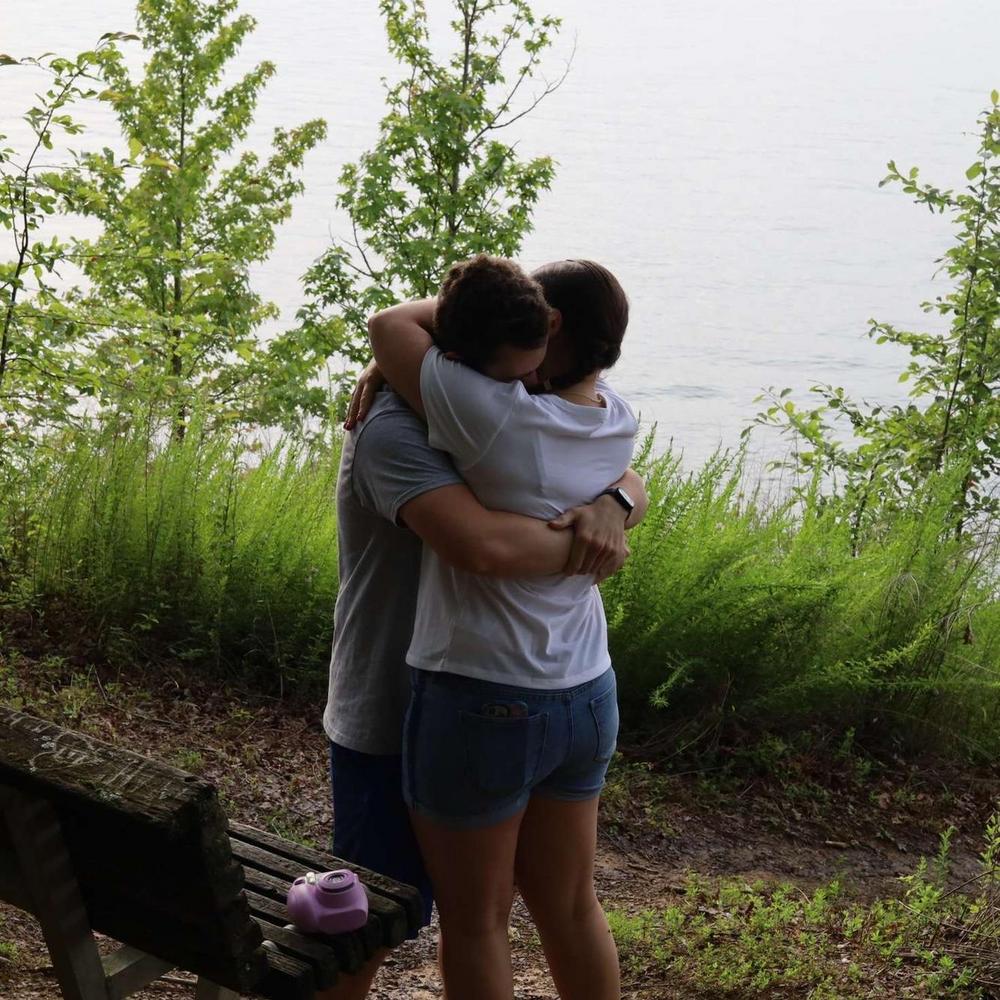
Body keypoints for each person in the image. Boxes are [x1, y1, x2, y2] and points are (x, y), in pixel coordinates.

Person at [320, 298, 647, 999]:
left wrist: (616, 502)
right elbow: (483, 546)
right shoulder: (396, 428)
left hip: (482, 702)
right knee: (365, 929)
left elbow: (609, 460)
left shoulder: (508, 410)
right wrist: (594, 542)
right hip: (391, 711)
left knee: (530, 910)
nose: (535, 381)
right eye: (522, 363)